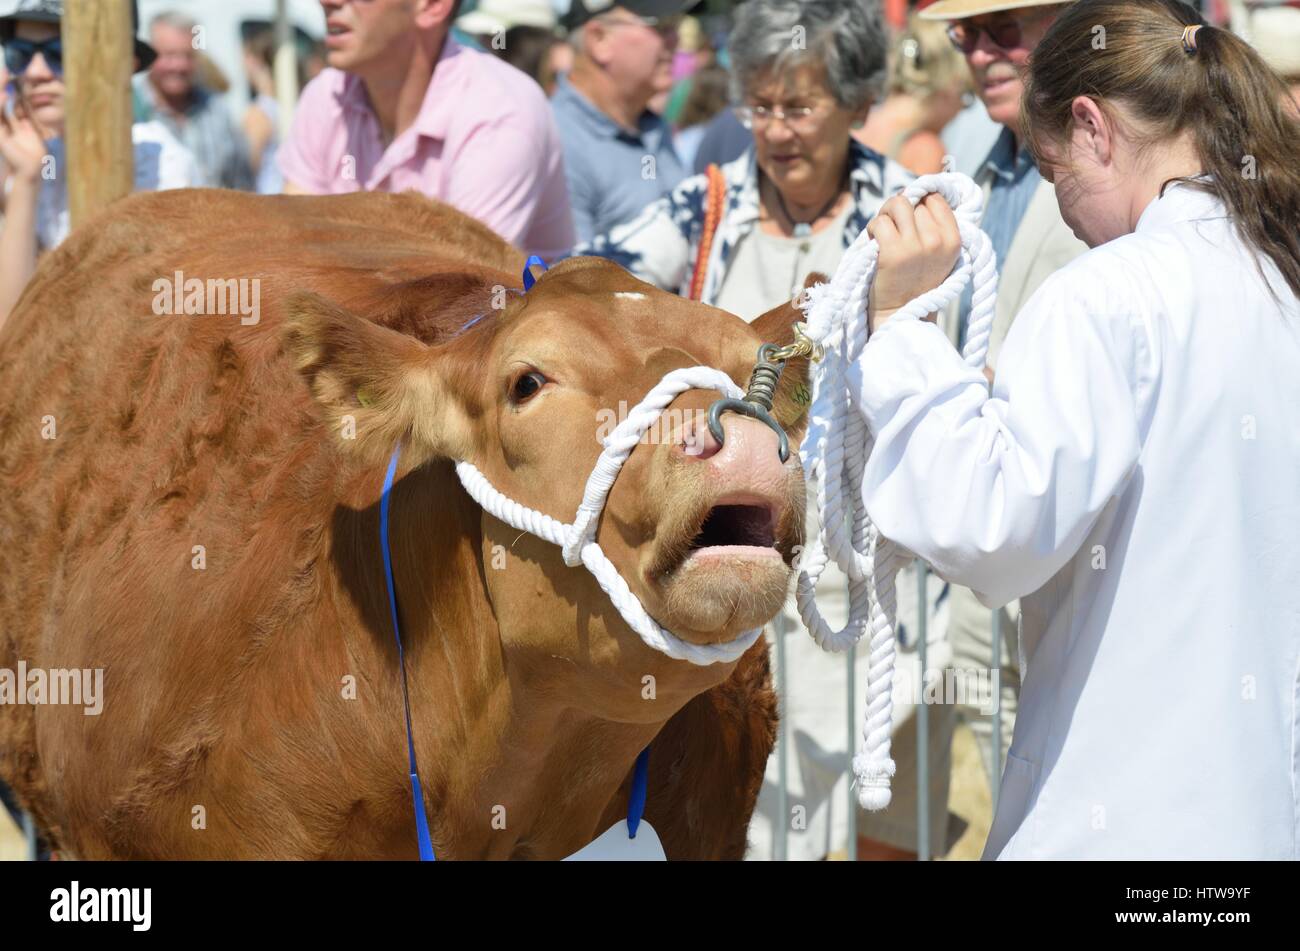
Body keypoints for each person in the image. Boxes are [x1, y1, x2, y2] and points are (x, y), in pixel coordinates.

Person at [857, 0, 1300, 859]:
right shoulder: (1281, 285)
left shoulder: (1106, 294)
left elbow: (995, 531)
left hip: (1123, 822)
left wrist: (901, 331)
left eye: (1055, 171)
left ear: (1091, 126)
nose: (1062, 207)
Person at [575, 0, 952, 862]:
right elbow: (586, 296)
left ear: (857, 103)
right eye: (763, 105)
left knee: (881, 813)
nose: (778, 131)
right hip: (734, 577)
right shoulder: (699, 213)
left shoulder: (906, 226)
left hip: (875, 577)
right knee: (747, 805)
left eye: (802, 105)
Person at [916, 0, 1088, 812]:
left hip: (1078, 567)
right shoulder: (978, 170)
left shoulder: (1126, 168)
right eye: (963, 33)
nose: (978, 51)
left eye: (1001, 29)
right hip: (986, 577)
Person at [280, 0, 574, 261]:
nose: (328, 1)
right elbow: (290, 249)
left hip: (485, 318)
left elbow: (455, 290)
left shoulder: (502, 110)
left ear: (433, 5)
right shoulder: (326, 94)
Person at [0, 0, 197, 329]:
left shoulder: (161, 159)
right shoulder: (33, 159)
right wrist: (25, 179)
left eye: (60, 52)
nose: (36, 72)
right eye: (19, 53)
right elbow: (8, 328)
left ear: (123, 62)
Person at [550, 0, 692, 243]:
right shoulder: (556, 140)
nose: (675, 40)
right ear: (599, 39)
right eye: (662, 26)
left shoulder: (650, 126)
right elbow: (568, 277)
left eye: (676, 26)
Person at [133, 11, 255, 190]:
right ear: (150, 56)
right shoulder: (130, 110)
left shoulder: (217, 110)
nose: (179, 65)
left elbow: (242, 184)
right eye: (169, 55)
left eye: (187, 56)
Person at [856, 14, 970, 175]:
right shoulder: (925, 151)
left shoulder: (851, 127)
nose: (960, 109)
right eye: (967, 95)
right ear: (950, 85)